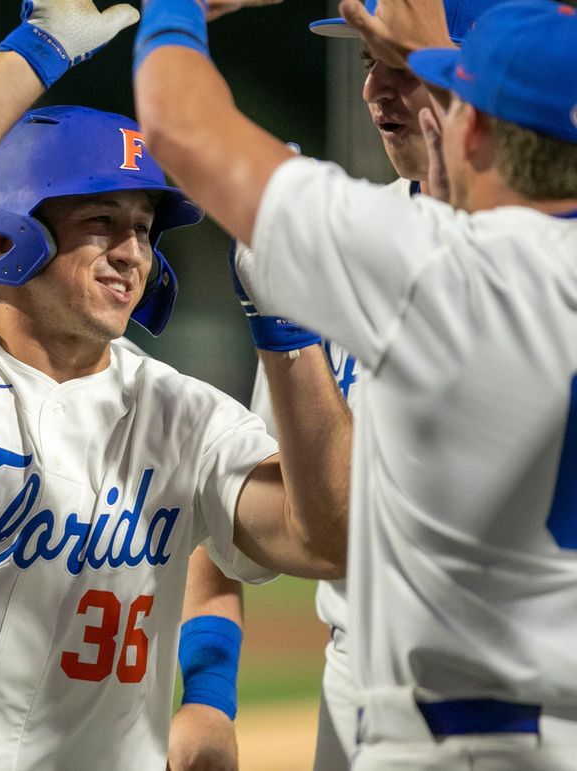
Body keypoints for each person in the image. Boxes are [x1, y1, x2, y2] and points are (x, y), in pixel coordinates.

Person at [0, 2, 349, 769]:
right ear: (2, 231)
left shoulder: (184, 415)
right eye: (102, 220)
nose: (132, 252)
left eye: (144, 227)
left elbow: (327, 538)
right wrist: (41, 47)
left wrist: (288, 329)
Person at [134, 0, 577, 768]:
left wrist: (178, 7)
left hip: (453, 732)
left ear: (470, 123)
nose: (378, 92)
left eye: (415, 71)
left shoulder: (420, 265)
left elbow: (183, 124)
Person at [243, 1, 500, 767]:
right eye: (366, 63)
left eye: (402, 62)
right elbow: (280, 505)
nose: (373, 91)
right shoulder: (343, 240)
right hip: (359, 679)